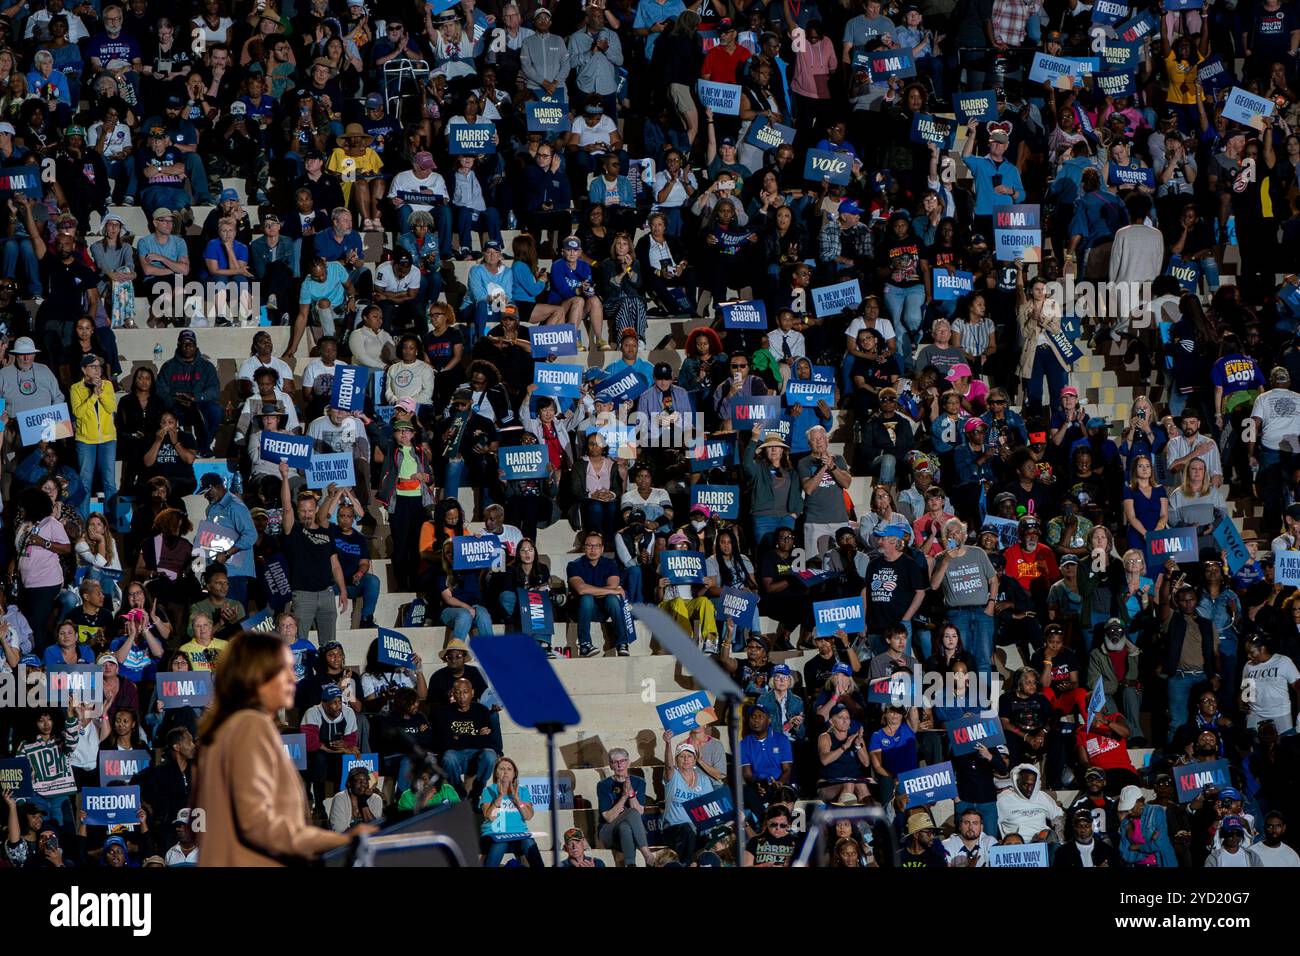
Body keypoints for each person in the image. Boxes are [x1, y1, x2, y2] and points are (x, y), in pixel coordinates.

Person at [192, 631, 375, 865]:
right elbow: (259, 825)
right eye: (284, 669)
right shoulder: (248, 728)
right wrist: (339, 841)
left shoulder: (239, 725)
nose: (292, 677)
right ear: (258, 677)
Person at [596, 748, 656, 867]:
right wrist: (624, 796)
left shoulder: (639, 782)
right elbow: (609, 818)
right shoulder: (603, 785)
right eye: (615, 762)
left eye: (623, 761)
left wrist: (631, 794)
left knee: (625, 827)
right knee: (632, 813)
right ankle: (647, 855)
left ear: (628, 762)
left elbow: (640, 812)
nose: (619, 765)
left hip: (630, 831)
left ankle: (630, 864)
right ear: (611, 765)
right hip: (608, 831)